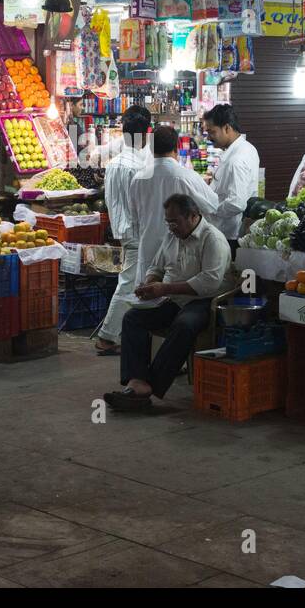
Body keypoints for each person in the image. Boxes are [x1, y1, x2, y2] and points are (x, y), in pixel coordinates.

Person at [105, 193, 232, 411]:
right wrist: (149, 284)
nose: (171, 227)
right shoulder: (172, 236)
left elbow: (209, 282)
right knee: (133, 319)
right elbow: (157, 267)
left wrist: (164, 288)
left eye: (175, 221)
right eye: (168, 222)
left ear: (193, 216)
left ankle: (151, 386)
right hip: (174, 298)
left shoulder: (213, 239)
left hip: (204, 301)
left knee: (184, 325)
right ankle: (137, 381)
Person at [128, 124, 220, 283]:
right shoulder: (186, 176)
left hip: (148, 250)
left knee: (149, 299)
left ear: (151, 149)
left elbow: (134, 216)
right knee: (175, 300)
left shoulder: (138, 178)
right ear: (176, 147)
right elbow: (212, 206)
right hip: (179, 253)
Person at [94, 106, 152, 355]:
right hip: (136, 231)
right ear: (146, 133)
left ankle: (127, 333)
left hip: (122, 229)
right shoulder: (138, 166)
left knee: (134, 281)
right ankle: (107, 336)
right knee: (128, 282)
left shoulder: (115, 164)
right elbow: (143, 205)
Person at [202, 104, 260, 242]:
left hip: (227, 233)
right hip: (228, 231)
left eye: (212, 132)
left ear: (227, 128)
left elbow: (236, 203)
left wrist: (211, 209)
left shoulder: (236, 160)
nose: (209, 138)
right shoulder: (247, 148)